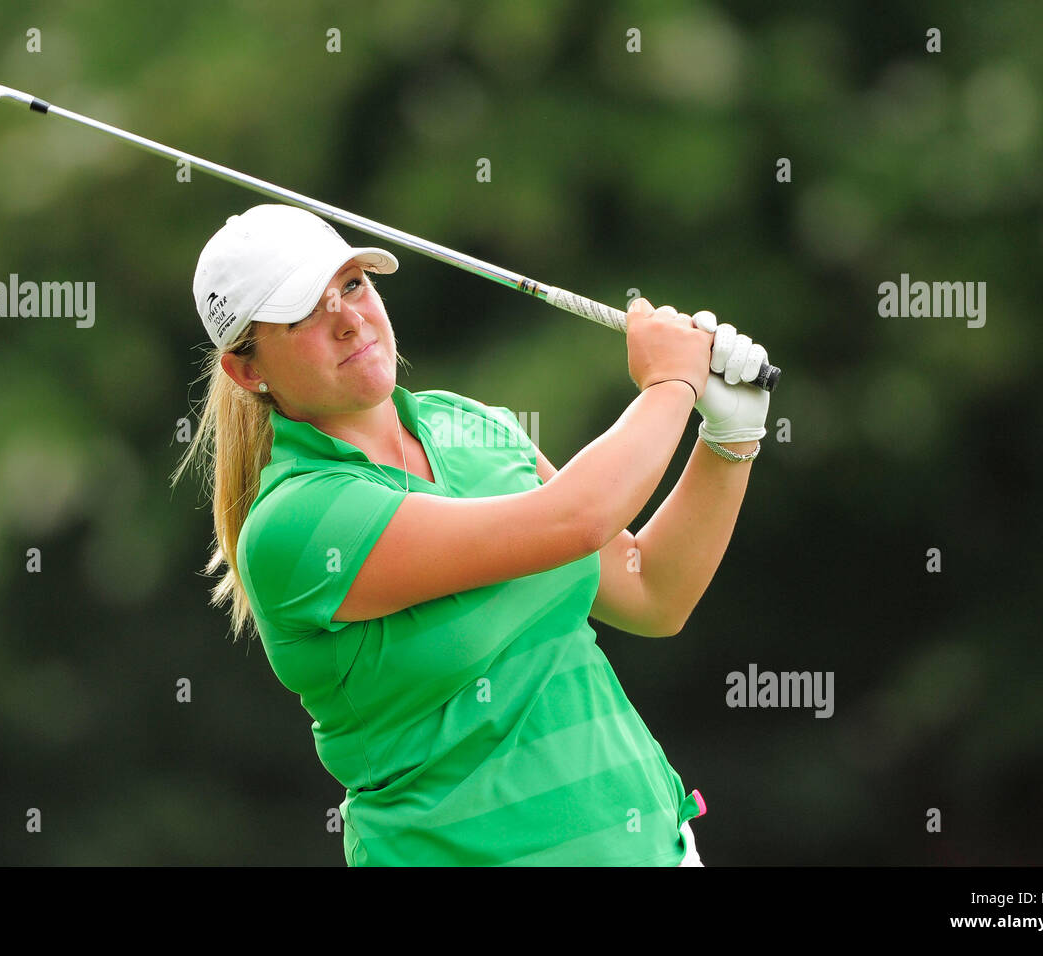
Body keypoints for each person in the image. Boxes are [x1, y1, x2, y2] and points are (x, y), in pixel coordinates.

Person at [172, 203, 771, 866]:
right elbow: (575, 519)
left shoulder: (469, 423)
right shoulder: (296, 522)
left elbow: (651, 591)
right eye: (301, 314)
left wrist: (729, 437)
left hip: (657, 847)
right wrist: (671, 383)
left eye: (352, 285)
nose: (346, 320)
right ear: (247, 372)